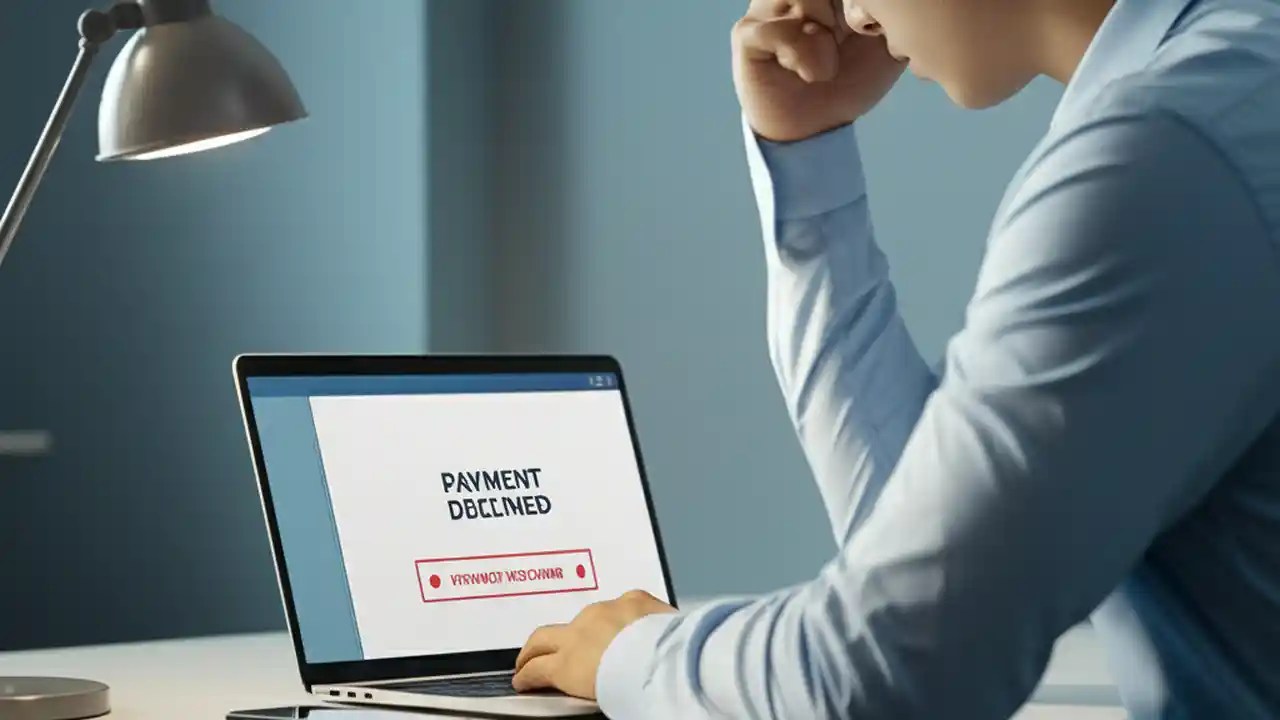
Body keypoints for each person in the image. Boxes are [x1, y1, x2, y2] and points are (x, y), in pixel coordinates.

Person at [511, 0, 1280, 716]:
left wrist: (633, 656)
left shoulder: (1160, 156)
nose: (850, 13)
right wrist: (806, 157)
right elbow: (935, 565)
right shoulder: (1225, 85)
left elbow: (900, 672)